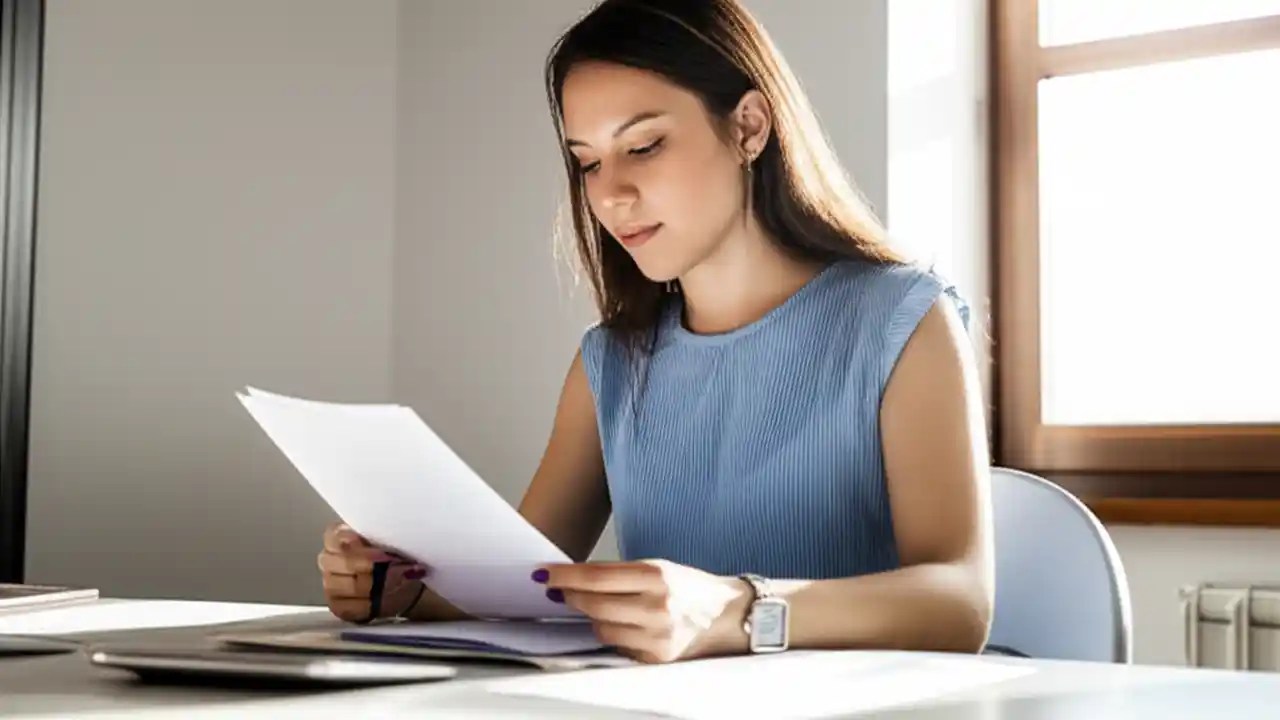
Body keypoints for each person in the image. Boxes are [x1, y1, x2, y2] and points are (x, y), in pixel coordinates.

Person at [318, 0, 993, 664]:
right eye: (588, 162)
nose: (610, 193)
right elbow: (514, 587)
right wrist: (393, 585)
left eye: (643, 146)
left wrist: (734, 611)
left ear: (749, 128)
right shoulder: (609, 364)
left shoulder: (903, 323)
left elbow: (960, 603)